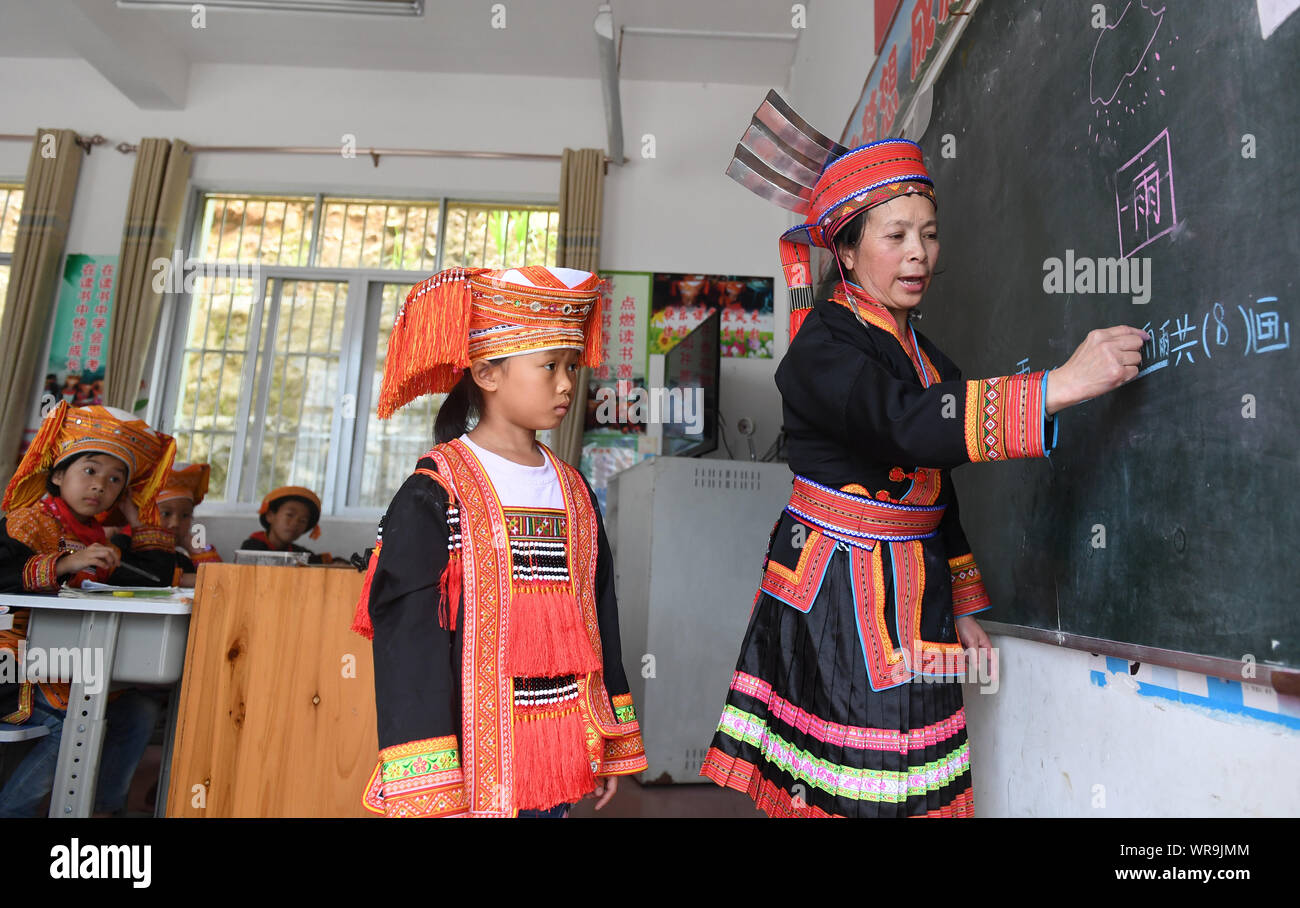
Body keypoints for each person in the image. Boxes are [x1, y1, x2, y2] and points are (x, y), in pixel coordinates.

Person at [701, 93, 1148, 818]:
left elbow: (932, 483)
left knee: (917, 781)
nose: (919, 253)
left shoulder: (923, 351)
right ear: (845, 250)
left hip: (921, 594)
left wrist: (964, 602)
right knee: (854, 783)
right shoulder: (822, 348)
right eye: (897, 234)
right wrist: (1060, 385)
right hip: (838, 593)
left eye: (930, 235)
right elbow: (911, 429)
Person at [351, 266, 647, 818]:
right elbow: (407, 638)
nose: (566, 383)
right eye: (549, 366)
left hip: (562, 756)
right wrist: (430, 776)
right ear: (487, 373)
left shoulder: (574, 490)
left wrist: (607, 739)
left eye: (572, 366)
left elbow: (599, 615)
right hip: (468, 766)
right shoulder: (434, 492)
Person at [0, 402, 177, 816]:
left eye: (116, 480)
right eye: (91, 471)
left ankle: (102, 808)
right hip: (15, 661)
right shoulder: (28, 521)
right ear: (59, 474)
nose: (101, 485)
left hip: (67, 663)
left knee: (138, 710)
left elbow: (152, 580)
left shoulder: (96, 535)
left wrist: (136, 514)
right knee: (74, 719)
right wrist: (63, 564)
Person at [157, 463, 221, 588]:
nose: (175, 523)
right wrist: (183, 579)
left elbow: (220, 580)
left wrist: (196, 549)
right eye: (165, 513)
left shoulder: (182, 561)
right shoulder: (127, 546)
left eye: (185, 515)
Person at [239, 487, 333, 564]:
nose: (295, 523)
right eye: (289, 515)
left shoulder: (297, 551)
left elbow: (317, 561)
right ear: (270, 516)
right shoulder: (252, 547)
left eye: (303, 520)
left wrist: (337, 562)